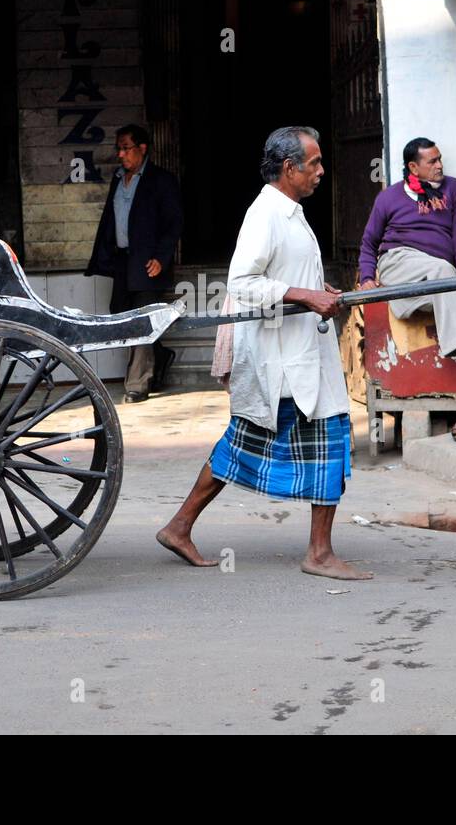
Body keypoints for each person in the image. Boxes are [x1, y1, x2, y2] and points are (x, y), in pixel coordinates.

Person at [156, 126, 370, 581]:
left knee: (245, 447)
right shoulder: (266, 214)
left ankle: (179, 526)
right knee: (323, 442)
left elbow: (287, 274)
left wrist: (319, 292)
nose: (320, 171)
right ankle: (318, 553)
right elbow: (243, 285)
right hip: (283, 358)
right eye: (313, 163)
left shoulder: (290, 211)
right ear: (289, 168)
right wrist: (307, 297)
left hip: (298, 352)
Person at [358, 137, 456, 362]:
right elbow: (369, 242)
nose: (440, 165)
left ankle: (401, 302)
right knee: (443, 271)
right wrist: (367, 277)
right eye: (432, 162)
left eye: (440, 159)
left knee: (441, 286)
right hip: (398, 262)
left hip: (433, 275)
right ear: (413, 167)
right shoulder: (389, 197)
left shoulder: (454, 189)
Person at [85, 124, 181, 402]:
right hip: (122, 262)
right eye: (118, 148)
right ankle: (160, 355)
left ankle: (138, 384)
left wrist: (162, 258)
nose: (120, 154)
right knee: (119, 312)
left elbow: (174, 223)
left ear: (142, 149)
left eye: (125, 148)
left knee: (141, 321)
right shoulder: (118, 178)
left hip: (148, 262)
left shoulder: (161, 180)